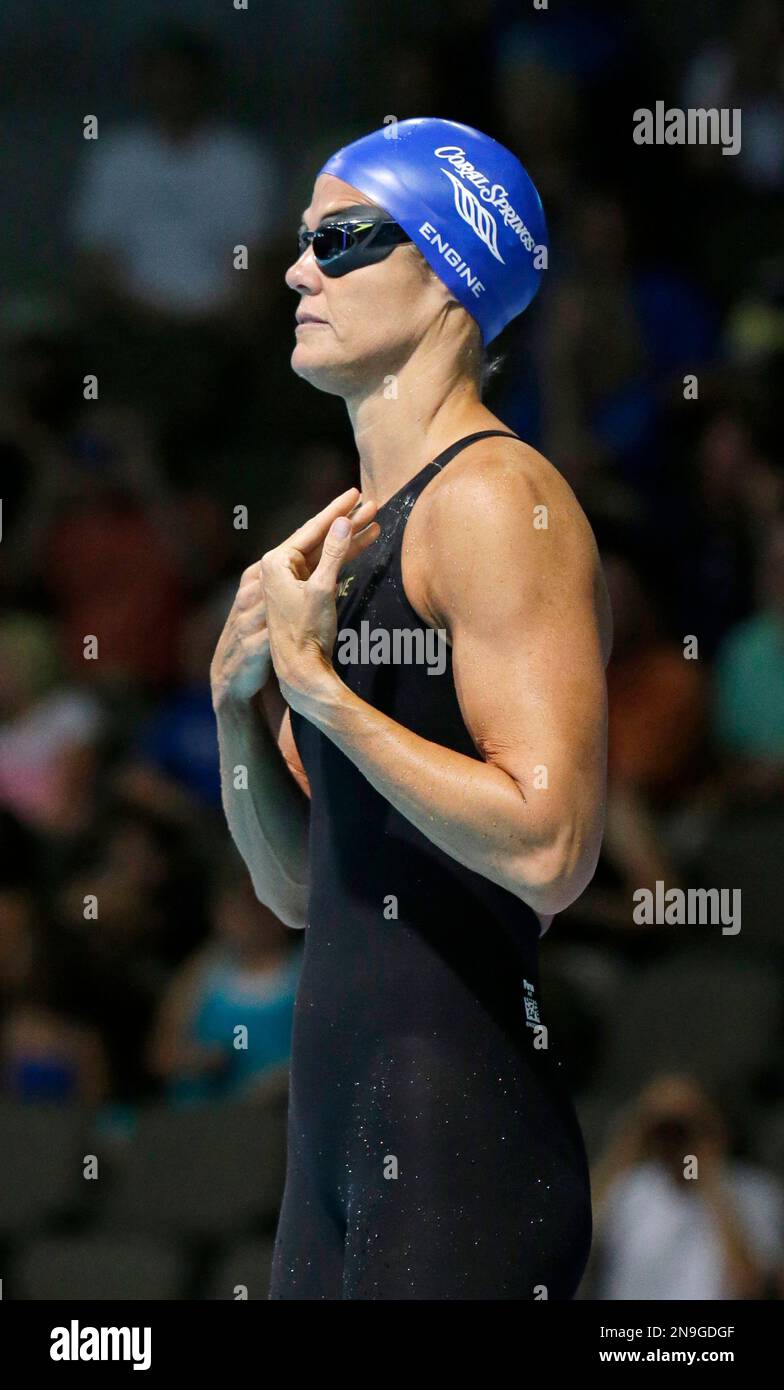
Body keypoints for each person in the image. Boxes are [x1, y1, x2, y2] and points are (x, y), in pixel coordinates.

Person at [211, 118, 611, 1299]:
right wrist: (238, 706)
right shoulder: (357, 531)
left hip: (458, 1137)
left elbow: (549, 845)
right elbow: (294, 890)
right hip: (336, 1141)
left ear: (448, 268)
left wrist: (323, 693)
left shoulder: (494, 495)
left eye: (338, 241)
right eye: (298, 243)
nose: (296, 271)